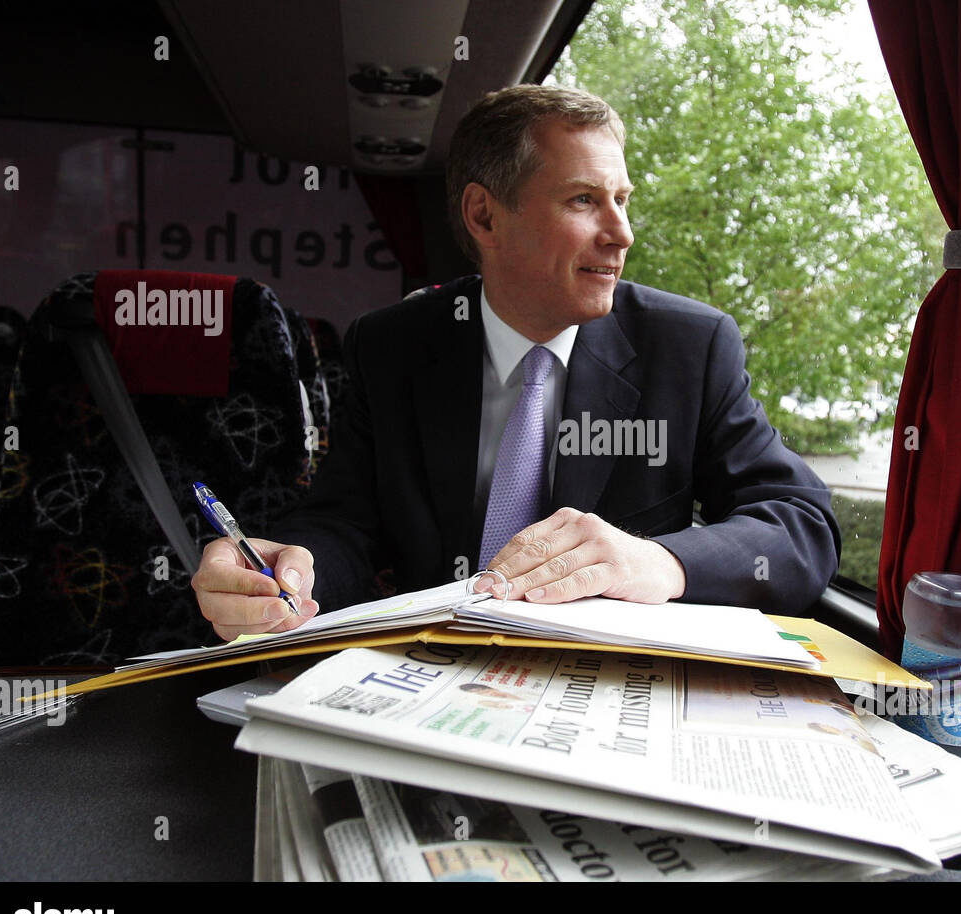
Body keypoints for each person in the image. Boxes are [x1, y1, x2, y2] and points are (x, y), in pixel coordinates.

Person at [191, 85, 840, 643]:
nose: (622, 233)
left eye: (623, 199)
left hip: (608, 688)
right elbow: (343, 526)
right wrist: (292, 568)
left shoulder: (689, 347)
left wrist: (656, 562)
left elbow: (801, 525)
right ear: (484, 215)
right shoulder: (391, 348)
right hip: (432, 681)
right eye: (585, 200)